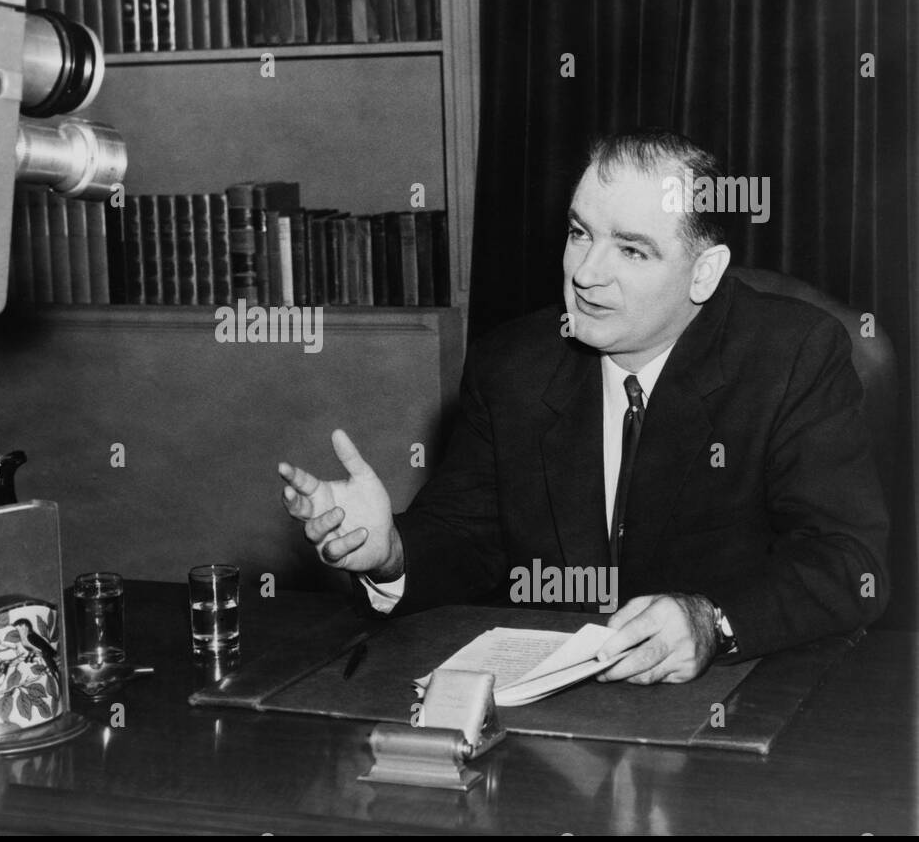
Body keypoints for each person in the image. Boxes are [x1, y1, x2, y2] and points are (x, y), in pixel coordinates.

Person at [278, 129, 889, 685]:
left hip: (732, 703)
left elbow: (848, 562)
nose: (587, 273)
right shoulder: (512, 364)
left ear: (704, 274)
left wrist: (714, 622)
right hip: (552, 716)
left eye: (631, 250)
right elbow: (468, 535)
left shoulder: (792, 356)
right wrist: (390, 553)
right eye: (579, 234)